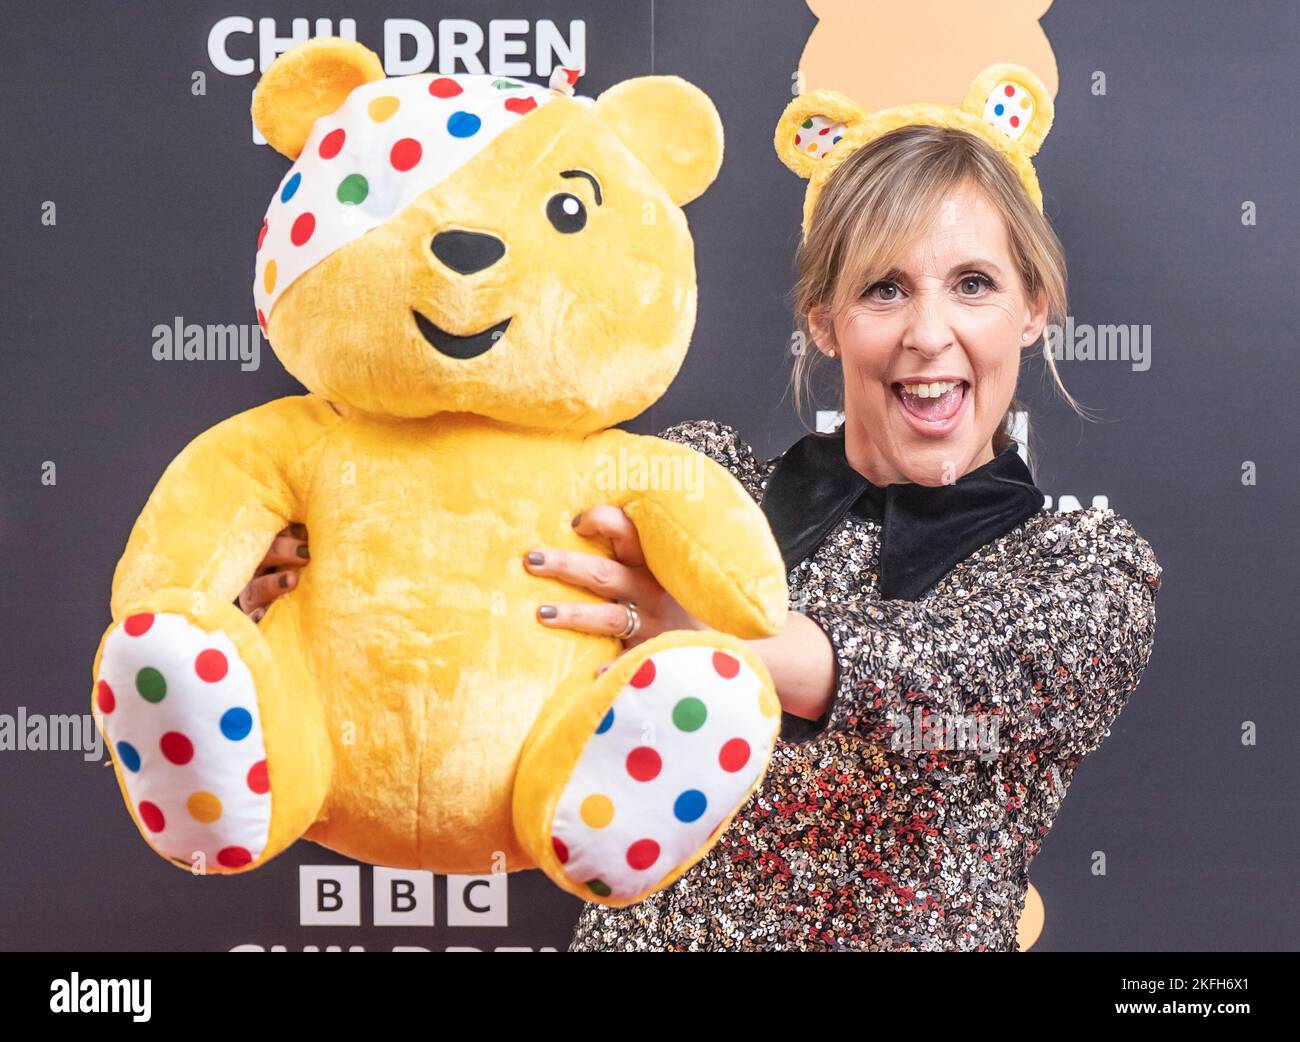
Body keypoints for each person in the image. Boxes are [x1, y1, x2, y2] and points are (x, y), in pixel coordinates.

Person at [239, 75, 1162, 951]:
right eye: (884, 288)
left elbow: (938, 690)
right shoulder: (690, 488)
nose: (928, 332)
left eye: (973, 284)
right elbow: (469, 599)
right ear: (823, 319)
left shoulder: (1086, 576)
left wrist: (711, 647)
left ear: (1033, 309)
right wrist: (305, 594)